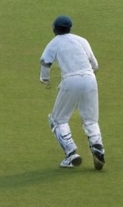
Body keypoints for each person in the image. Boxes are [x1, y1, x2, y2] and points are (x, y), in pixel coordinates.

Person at [39, 14, 103, 170]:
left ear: (55, 29)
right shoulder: (82, 40)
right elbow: (94, 64)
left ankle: (71, 153)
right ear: (69, 28)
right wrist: (88, 74)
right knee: (91, 120)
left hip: (70, 80)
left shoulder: (54, 43)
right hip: (90, 78)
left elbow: (45, 62)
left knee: (57, 120)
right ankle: (98, 148)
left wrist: (45, 79)